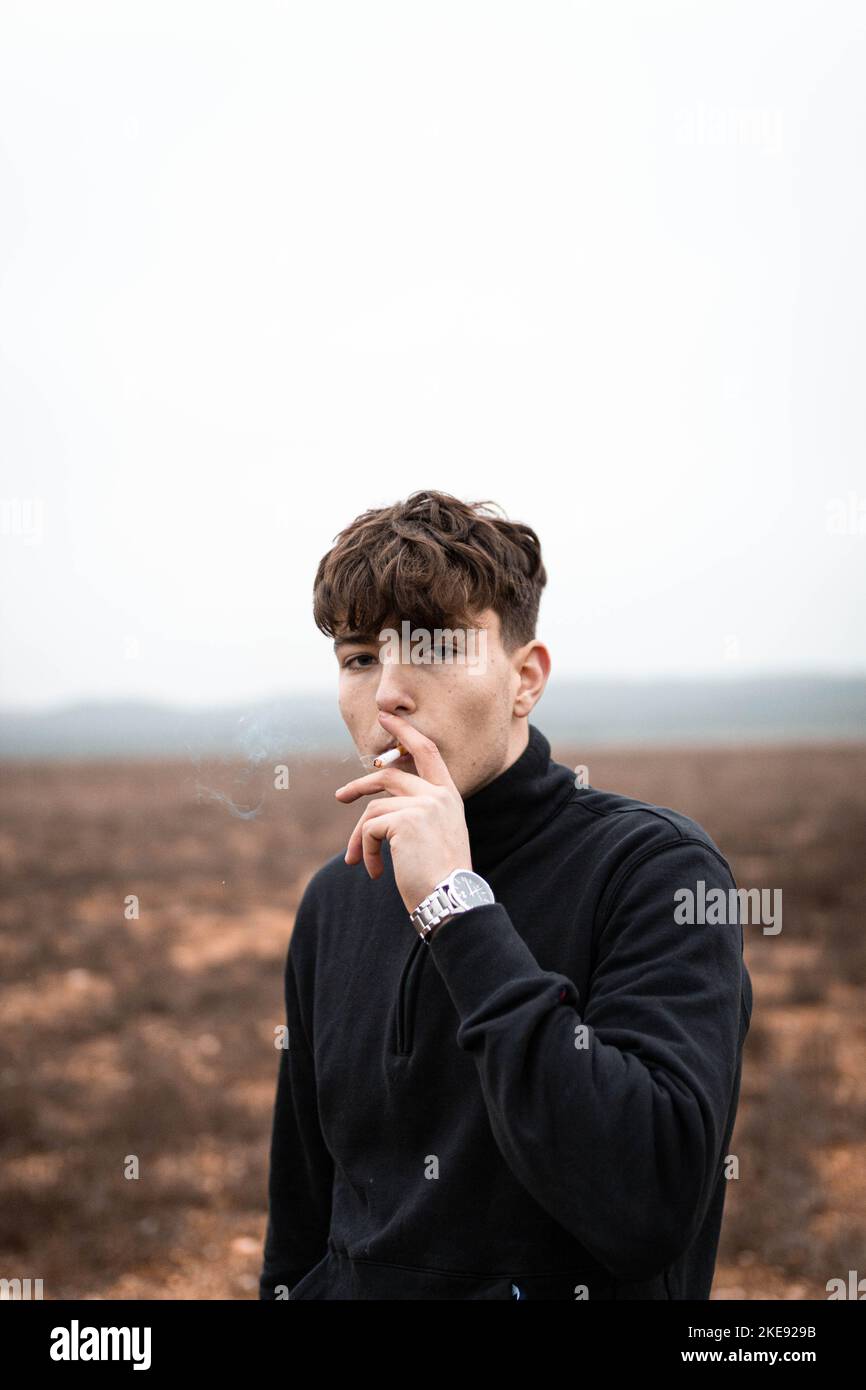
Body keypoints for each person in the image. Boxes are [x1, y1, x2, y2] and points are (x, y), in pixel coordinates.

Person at [258, 489, 752, 1300]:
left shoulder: (656, 873)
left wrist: (459, 907)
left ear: (526, 680)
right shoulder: (335, 898)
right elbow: (304, 1215)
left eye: (435, 649)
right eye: (358, 658)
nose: (388, 693)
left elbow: (650, 1203)